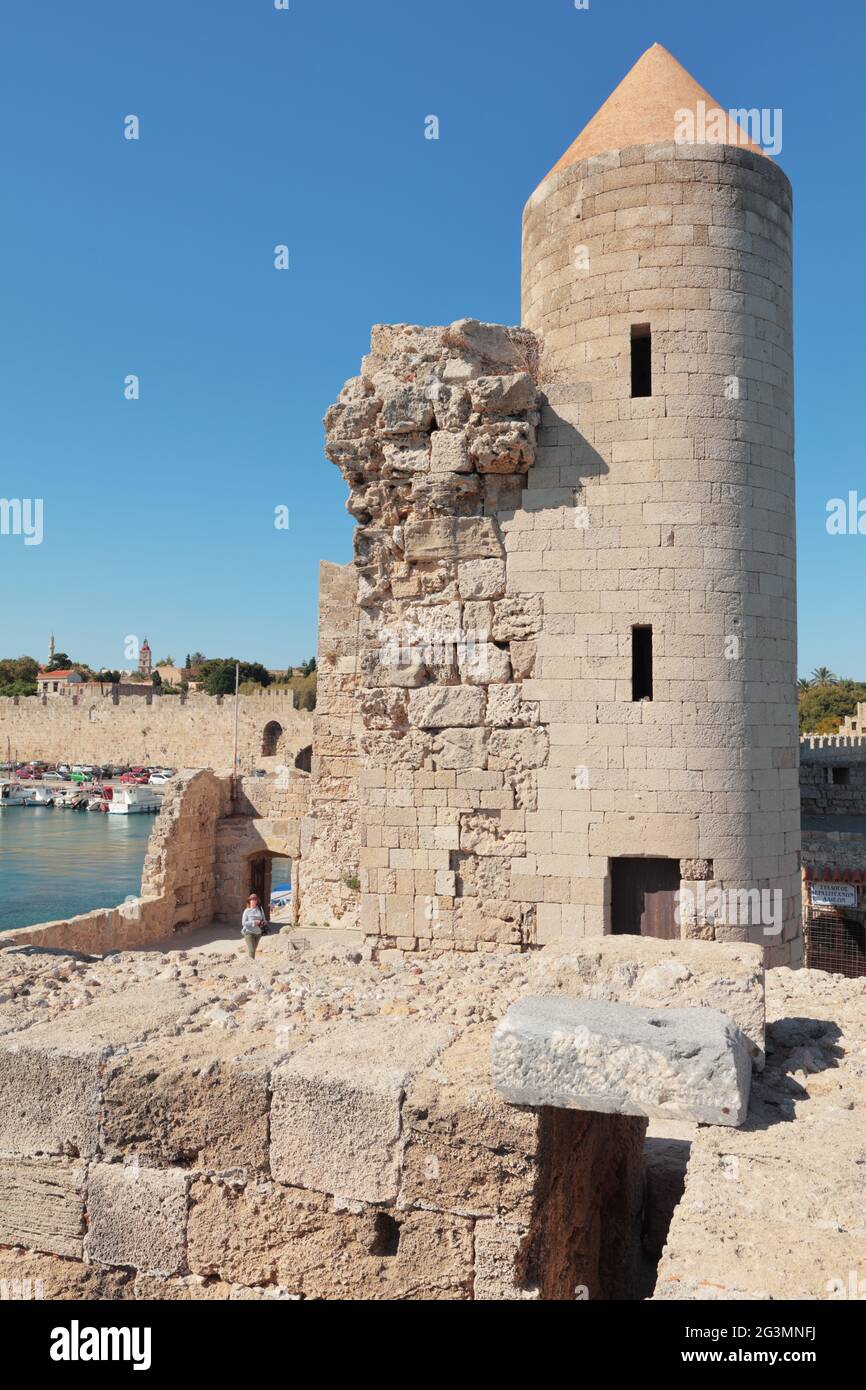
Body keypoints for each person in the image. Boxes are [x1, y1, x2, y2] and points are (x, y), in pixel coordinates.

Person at [241, 893, 267, 959]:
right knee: (251, 950)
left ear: (257, 901)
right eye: (252, 899)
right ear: (249, 901)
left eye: (255, 899)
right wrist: (254, 922)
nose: (254, 901)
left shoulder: (260, 909)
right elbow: (243, 923)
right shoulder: (247, 911)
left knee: (253, 950)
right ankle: (250, 965)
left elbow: (264, 919)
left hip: (258, 933)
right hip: (249, 933)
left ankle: (250, 963)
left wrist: (263, 922)